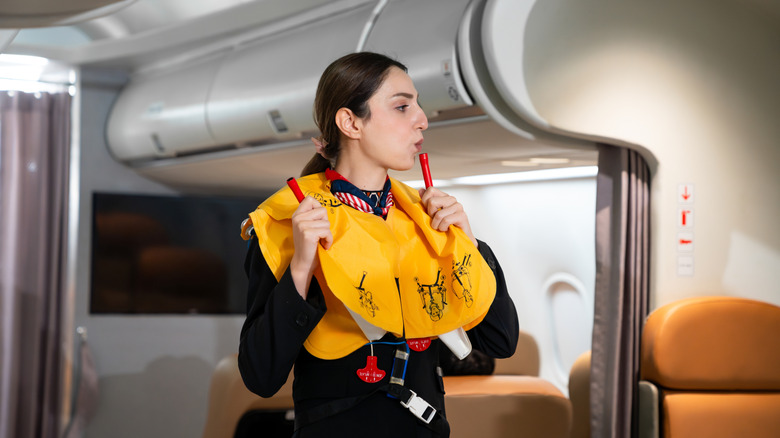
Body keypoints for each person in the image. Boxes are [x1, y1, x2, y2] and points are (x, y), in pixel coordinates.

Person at [238, 52, 519, 437]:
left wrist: (467, 243)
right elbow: (260, 376)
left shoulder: (425, 218)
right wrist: (302, 268)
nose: (422, 119)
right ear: (351, 122)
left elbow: (500, 341)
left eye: (417, 105)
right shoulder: (287, 223)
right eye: (403, 107)